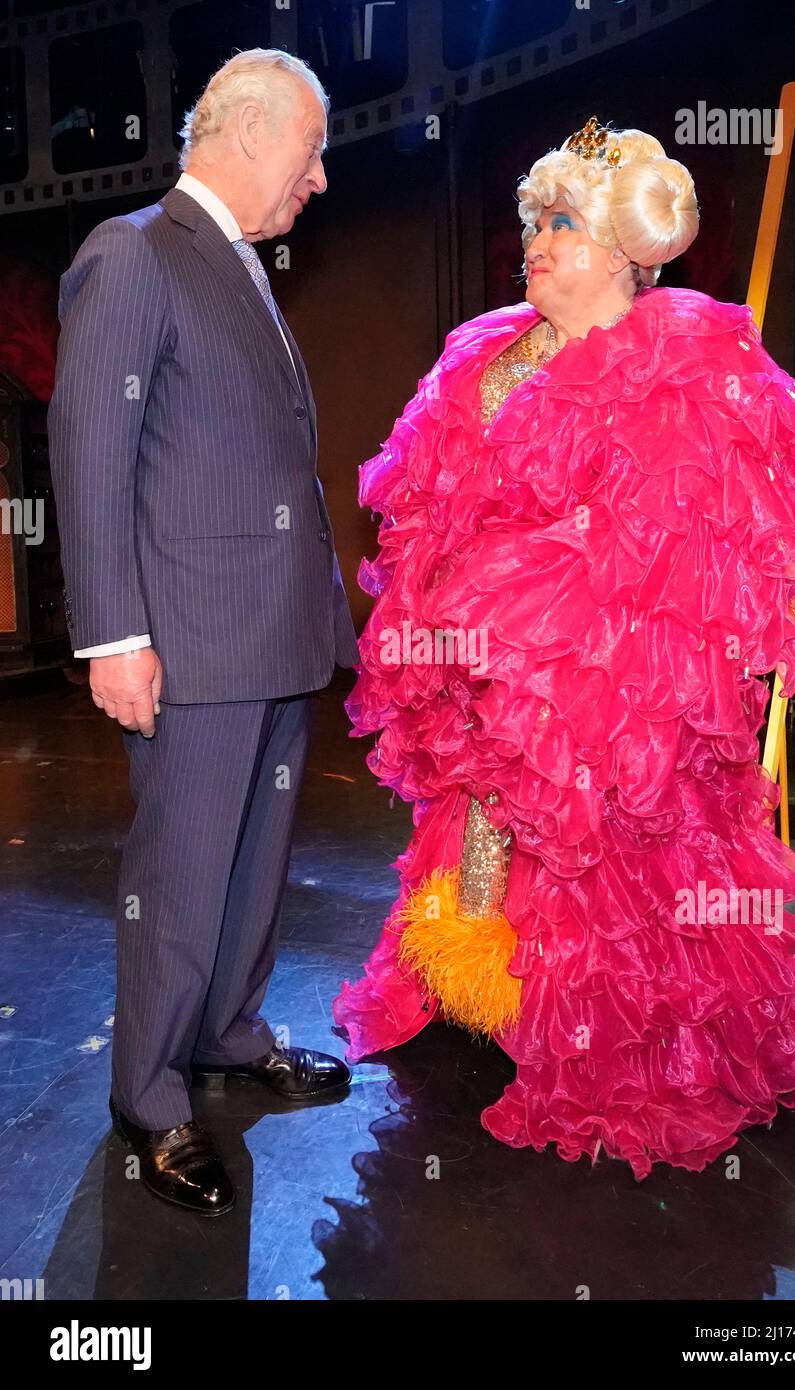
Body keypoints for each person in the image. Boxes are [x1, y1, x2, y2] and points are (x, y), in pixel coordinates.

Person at [333, 117, 795, 1181]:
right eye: (533, 221)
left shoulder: (684, 360)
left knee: (611, 849)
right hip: (489, 665)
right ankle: (487, 984)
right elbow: (433, 501)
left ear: (620, 247)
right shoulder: (486, 349)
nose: (536, 242)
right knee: (483, 818)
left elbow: (715, 538)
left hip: (622, 680)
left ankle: (611, 1032)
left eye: (560, 222)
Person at [48, 49, 357, 1216]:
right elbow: (90, 457)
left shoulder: (238, 265)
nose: (320, 178)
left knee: (254, 865)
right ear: (250, 130)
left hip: (271, 637)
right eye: (313, 149)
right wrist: (113, 634)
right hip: (189, 639)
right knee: (178, 878)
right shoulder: (133, 253)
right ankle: (153, 1096)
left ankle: (228, 1030)